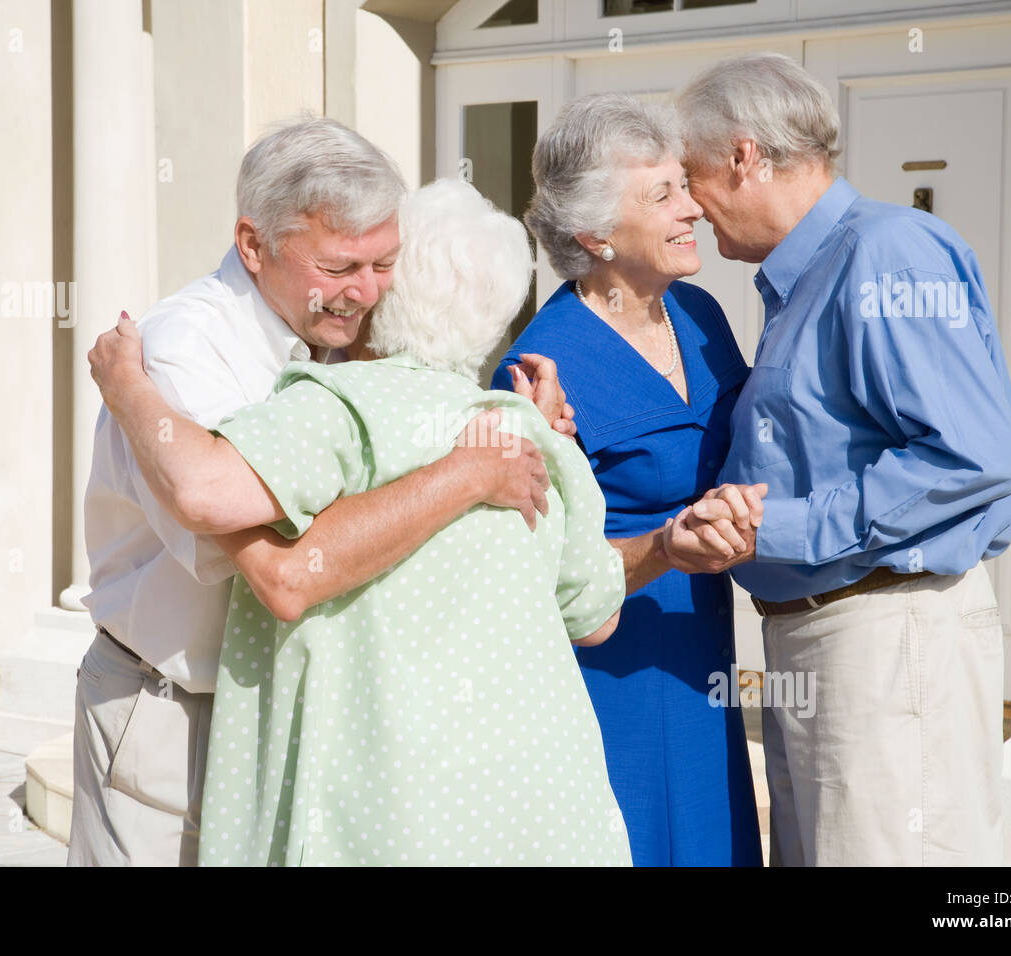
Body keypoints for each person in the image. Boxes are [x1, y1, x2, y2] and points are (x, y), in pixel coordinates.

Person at [90, 178, 634, 866]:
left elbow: (216, 502)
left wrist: (126, 385)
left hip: (381, 817)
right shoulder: (535, 436)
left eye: (377, 269)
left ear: (391, 294)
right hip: (532, 816)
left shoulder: (330, 407)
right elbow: (597, 618)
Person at [666, 52, 1011, 865]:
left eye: (689, 176)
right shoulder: (807, 276)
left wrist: (776, 525)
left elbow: (976, 461)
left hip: (885, 631)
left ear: (742, 155)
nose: (688, 205)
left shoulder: (887, 254)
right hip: (834, 640)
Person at [493, 93, 765, 866]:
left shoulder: (705, 316)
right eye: (665, 195)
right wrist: (664, 549)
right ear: (596, 235)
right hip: (603, 671)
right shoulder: (539, 368)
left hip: (700, 653)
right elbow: (530, 576)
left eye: (684, 185)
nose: (695, 210)